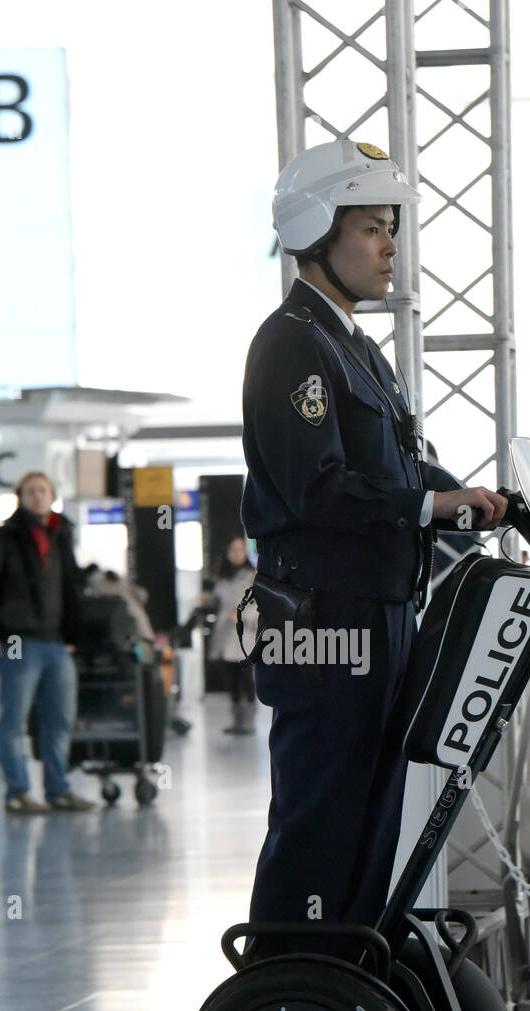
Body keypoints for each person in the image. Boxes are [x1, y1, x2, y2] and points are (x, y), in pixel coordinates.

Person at [240, 136, 507, 929]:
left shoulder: (356, 348)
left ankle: (346, 970)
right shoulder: (291, 342)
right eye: (371, 228)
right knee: (323, 815)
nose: (391, 246)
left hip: (379, 609)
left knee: (371, 819)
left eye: (391, 227)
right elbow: (317, 489)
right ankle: (285, 990)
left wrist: (472, 497)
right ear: (318, 230)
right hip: (324, 623)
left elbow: (403, 469)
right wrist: (431, 509)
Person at [0, 471, 94, 813]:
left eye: (43, 490)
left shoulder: (61, 534)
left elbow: (70, 585)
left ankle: (58, 789)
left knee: (60, 718)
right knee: (14, 719)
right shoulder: (3, 537)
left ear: (52, 495)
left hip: (56, 641)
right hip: (16, 639)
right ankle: (17, 792)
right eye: (30, 491)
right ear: (20, 496)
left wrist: (73, 634)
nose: (37, 496)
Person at [207, 536, 258, 734]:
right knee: (232, 680)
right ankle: (237, 720)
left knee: (247, 679)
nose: (236, 554)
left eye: (240, 550)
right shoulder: (222, 578)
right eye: (233, 550)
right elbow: (217, 599)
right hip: (225, 633)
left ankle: (249, 722)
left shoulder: (252, 576)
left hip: (244, 632)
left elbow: (259, 606)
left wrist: (242, 616)